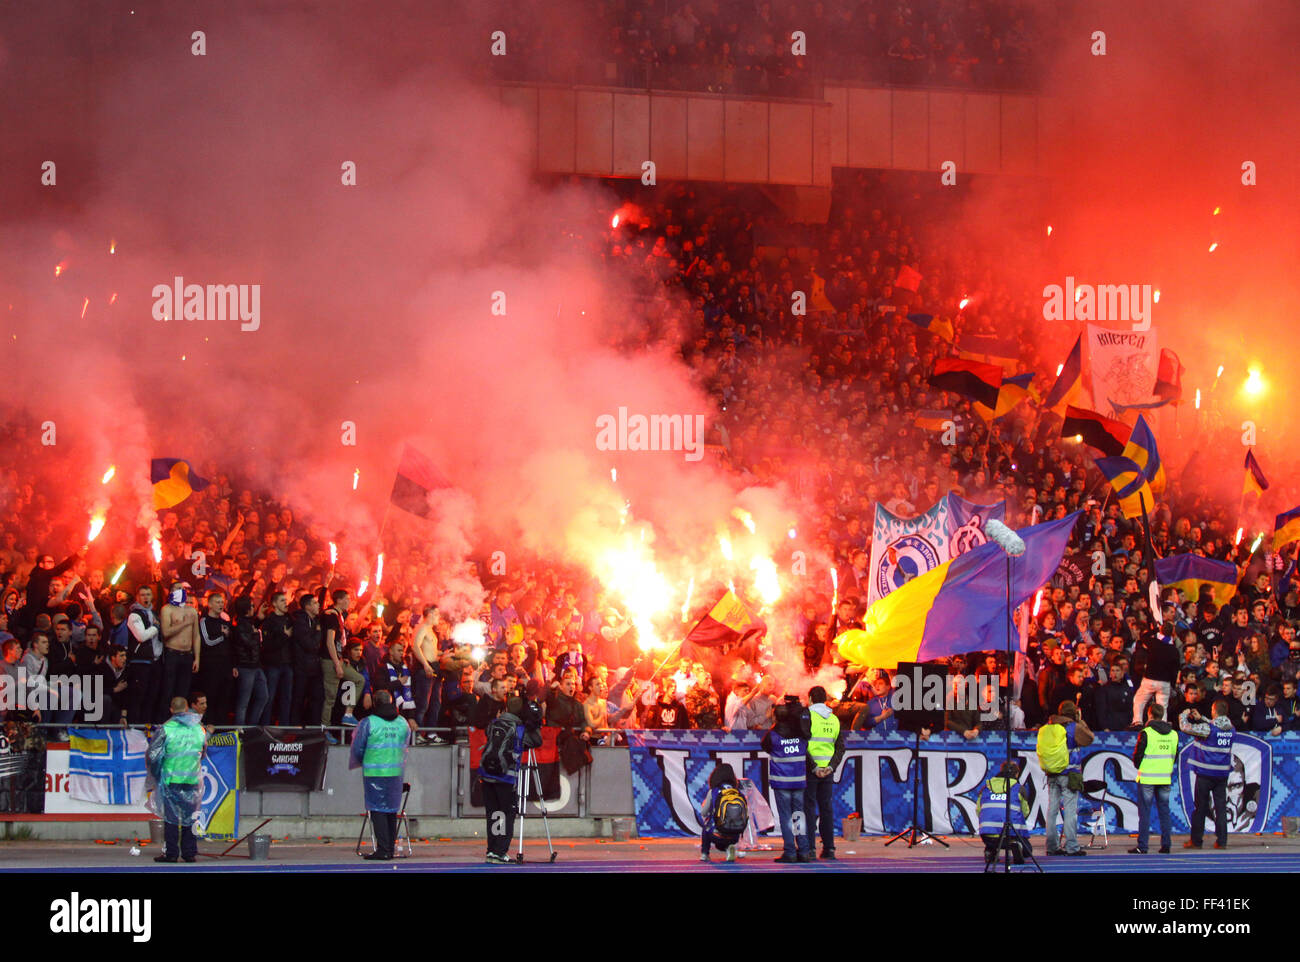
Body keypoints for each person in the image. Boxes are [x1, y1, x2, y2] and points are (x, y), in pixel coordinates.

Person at [477, 697, 543, 864]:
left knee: (494, 814)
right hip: (506, 777)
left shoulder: (493, 723)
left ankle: (492, 850)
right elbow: (537, 741)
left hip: (487, 774)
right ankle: (500, 852)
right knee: (506, 813)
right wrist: (534, 722)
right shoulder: (520, 729)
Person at [347, 690, 411, 861]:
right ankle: (389, 847)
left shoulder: (369, 723)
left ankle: (383, 849)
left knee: (377, 810)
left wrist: (362, 760)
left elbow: (358, 747)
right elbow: (406, 744)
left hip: (374, 772)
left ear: (375, 703)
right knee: (391, 810)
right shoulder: (402, 722)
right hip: (395, 772)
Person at [146, 695, 208, 863]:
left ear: (171, 710)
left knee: (171, 819)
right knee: (191, 817)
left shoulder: (166, 729)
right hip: (193, 780)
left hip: (171, 779)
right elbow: (203, 752)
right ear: (187, 708)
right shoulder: (199, 729)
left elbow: (153, 755)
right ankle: (189, 853)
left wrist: (156, 773)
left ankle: (171, 853)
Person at [1036, 700, 1092, 856]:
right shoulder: (1073, 727)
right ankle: (1072, 846)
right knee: (1070, 811)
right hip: (1069, 774)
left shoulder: (1048, 727)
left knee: (1052, 810)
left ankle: (1052, 847)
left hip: (1052, 773)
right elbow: (1089, 738)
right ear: (1073, 713)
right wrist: (1080, 720)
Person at [761, 695, 811, 863]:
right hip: (799, 780)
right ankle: (804, 851)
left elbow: (765, 746)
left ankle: (790, 851)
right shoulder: (801, 734)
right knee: (799, 815)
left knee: (785, 816)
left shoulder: (772, 735)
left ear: (775, 716)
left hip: (782, 781)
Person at [1180, 698, 1235, 850]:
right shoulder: (1232, 729)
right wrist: (1202, 718)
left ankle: (1196, 841)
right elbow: (1215, 725)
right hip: (1222, 775)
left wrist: (1183, 715)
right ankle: (1222, 841)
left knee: (1201, 808)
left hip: (1205, 773)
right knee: (1221, 808)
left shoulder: (1208, 729)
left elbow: (1185, 727)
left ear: (1214, 710)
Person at [803, 685, 844, 860]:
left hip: (810, 770)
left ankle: (810, 848)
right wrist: (831, 767)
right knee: (826, 809)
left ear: (810, 698)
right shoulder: (834, 719)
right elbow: (840, 747)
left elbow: (802, 745)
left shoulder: (806, 717)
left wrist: (814, 767)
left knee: (809, 809)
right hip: (827, 770)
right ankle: (829, 849)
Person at [1130, 702, 1176, 854]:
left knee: (1145, 812)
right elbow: (1174, 756)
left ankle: (1143, 846)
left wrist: (1140, 766)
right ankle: (1166, 844)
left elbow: (1138, 755)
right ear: (1162, 715)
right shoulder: (1173, 734)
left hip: (1148, 777)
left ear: (1149, 714)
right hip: (1164, 777)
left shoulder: (1146, 732)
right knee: (1164, 811)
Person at [977, 759, 1031, 866]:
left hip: (987, 834)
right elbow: (1025, 812)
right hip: (1010, 834)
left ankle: (990, 850)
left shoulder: (986, 788)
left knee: (992, 839)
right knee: (1027, 850)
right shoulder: (1019, 789)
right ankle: (1016, 844)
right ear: (1016, 774)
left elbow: (979, 811)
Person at [159, 582, 199, 723]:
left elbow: (196, 636)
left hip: (187, 655)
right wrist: (184, 623)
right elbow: (166, 632)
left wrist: (197, 658)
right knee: (168, 692)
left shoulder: (191, 611)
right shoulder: (167, 609)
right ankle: (164, 723)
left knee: (183, 692)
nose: (180, 591)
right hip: (172, 654)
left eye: (182, 589)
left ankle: (180, 724)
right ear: (171, 591)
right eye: (177, 588)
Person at [699, 762, 744, 862]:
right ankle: (729, 848)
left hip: (716, 834)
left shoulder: (714, 791)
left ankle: (704, 853)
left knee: (707, 824)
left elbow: (703, 812)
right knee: (724, 839)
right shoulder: (737, 792)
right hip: (734, 835)